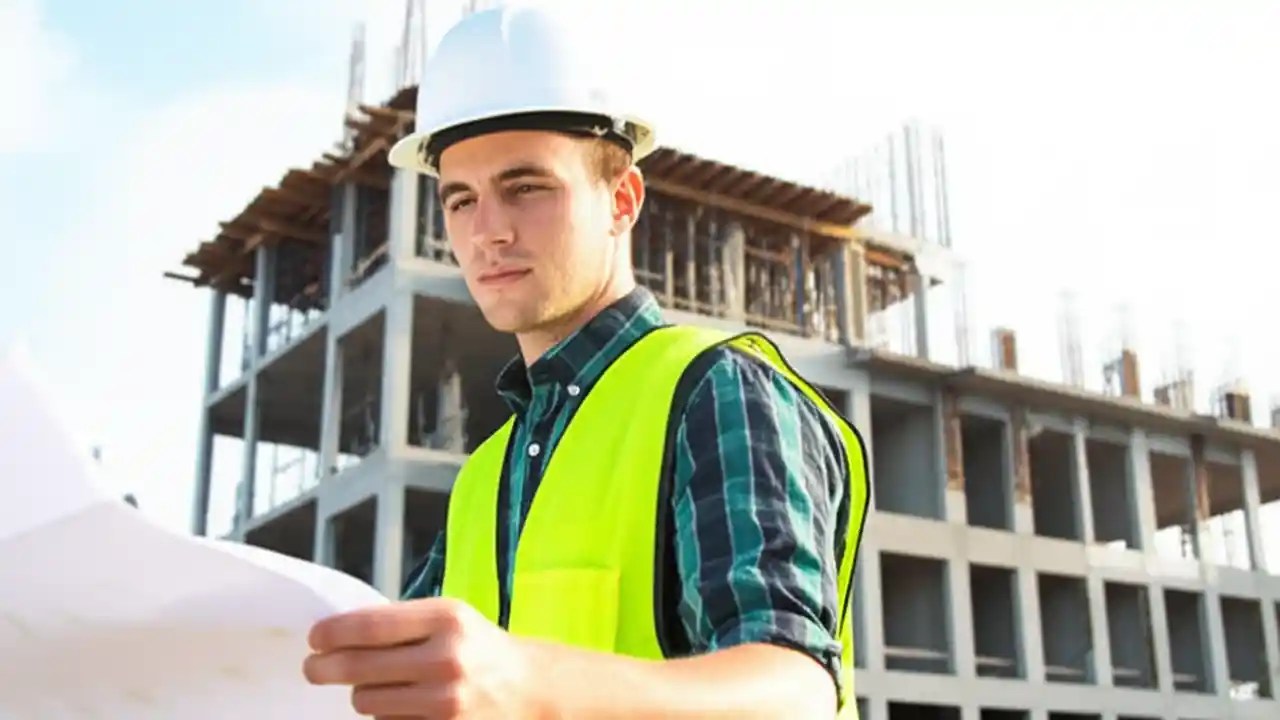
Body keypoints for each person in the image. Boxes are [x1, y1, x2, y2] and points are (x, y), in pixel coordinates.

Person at [302, 4, 870, 718]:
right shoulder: (485, 476)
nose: (488, 233)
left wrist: (525, 685)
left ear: (622, 198)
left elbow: (795, 692)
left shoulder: (714, 392)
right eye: (460, 199)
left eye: (526, 187)